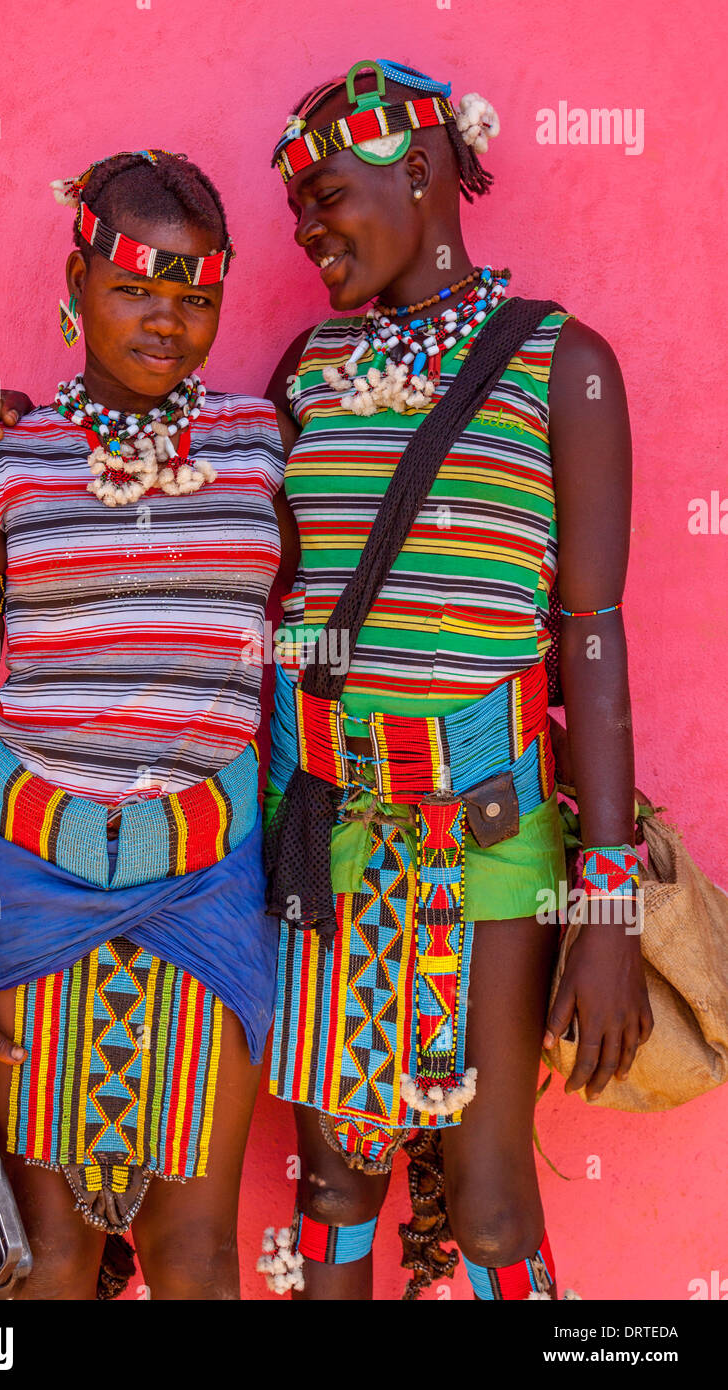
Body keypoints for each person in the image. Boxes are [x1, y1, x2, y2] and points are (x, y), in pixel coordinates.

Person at [255, 59, 650, 1301]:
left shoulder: (559, 364)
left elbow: (589, 635)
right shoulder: (304, 373)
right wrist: (3, 445)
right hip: (323, 826)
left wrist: (606, 912)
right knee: (331, 1185)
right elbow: (232, 552)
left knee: (486, 1199)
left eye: (326, 196)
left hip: (492, 826)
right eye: (297, 214)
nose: (311, 230)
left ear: (418, 170)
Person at [0, 148, 293, 1300]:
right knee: (48, 1258)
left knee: (196, 1251)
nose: (166, 319)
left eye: (196, 295)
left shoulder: (261, 449)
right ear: (76, 281)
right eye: (135, 288)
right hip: (27, 886)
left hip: (206, 882)